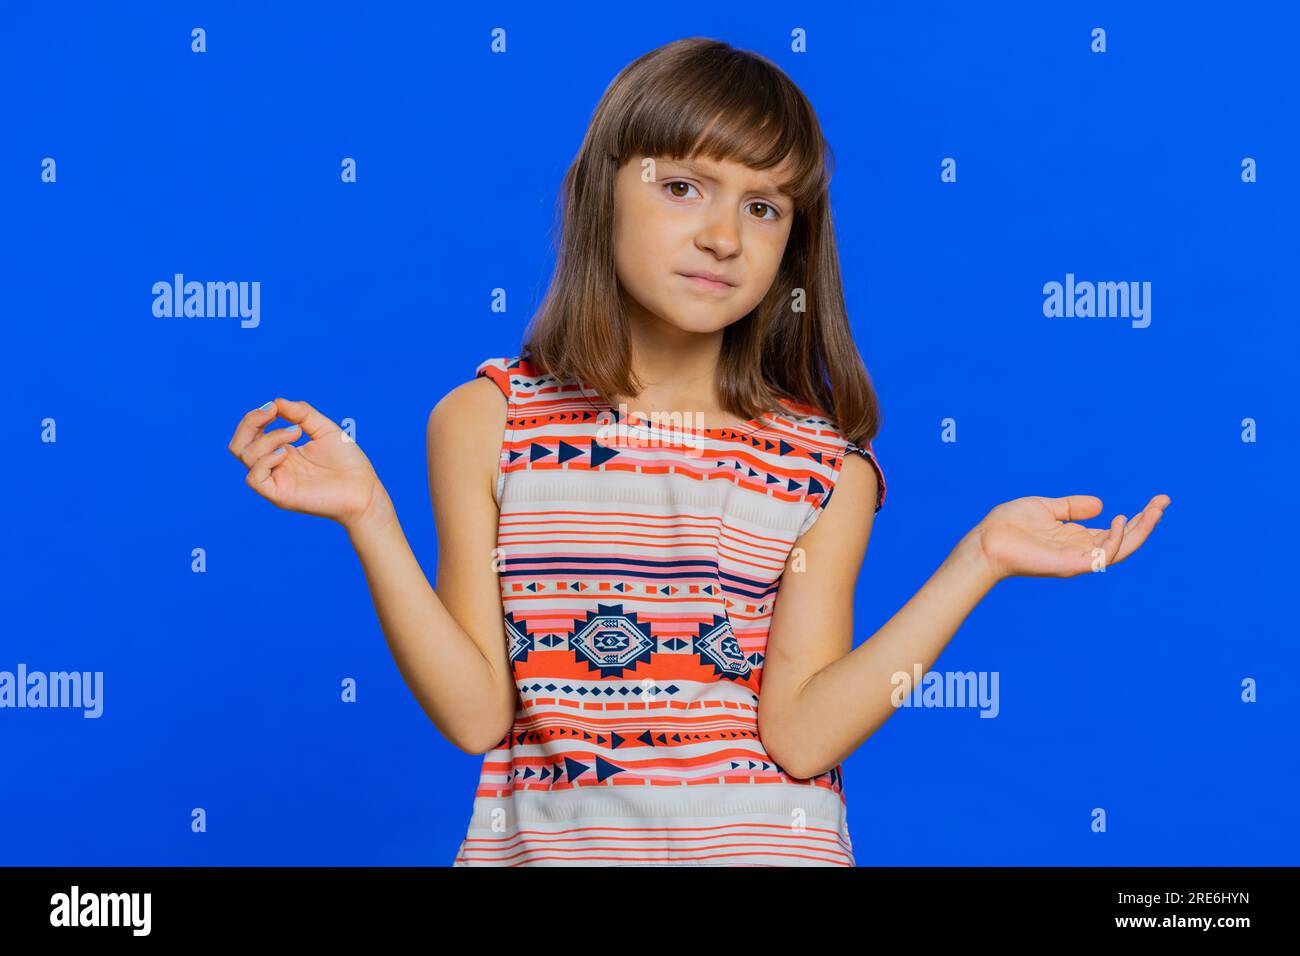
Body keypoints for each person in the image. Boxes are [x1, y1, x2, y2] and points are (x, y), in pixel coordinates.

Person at [226, 37, 1170, 866]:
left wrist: (980, 561)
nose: (723, 236)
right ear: (605, 194)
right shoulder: (488, 422)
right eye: (683, 187)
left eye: (766, 209)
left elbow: (801, 737)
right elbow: (477, 716)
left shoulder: (823, 468)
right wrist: (368, 519)